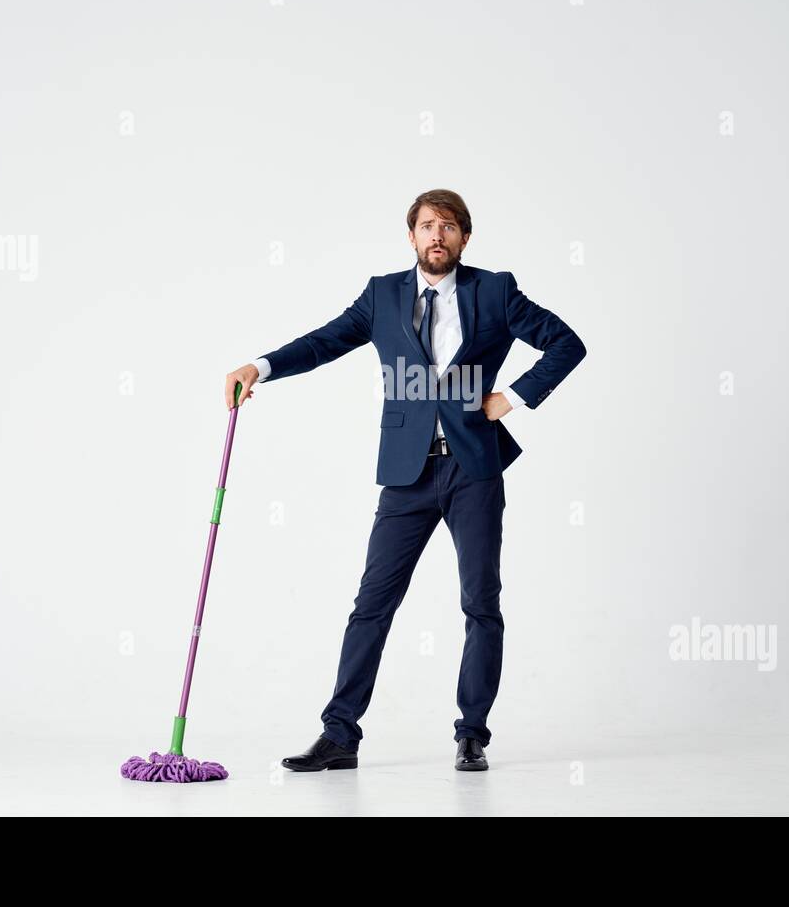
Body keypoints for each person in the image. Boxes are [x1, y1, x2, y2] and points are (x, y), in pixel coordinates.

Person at [224, 189, 586, 771]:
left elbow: (567, 343)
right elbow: (324, 342)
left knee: (480, 604)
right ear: (411, 237)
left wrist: (511, 398)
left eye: (448, 226)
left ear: (465, 238)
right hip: (406, 473)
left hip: (474, 470)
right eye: (425, 226)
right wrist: (259, 366)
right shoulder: (382, 295)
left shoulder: (494, 290)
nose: (436, 235)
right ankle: (339, 735)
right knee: (372, 603)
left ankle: (472, 734)